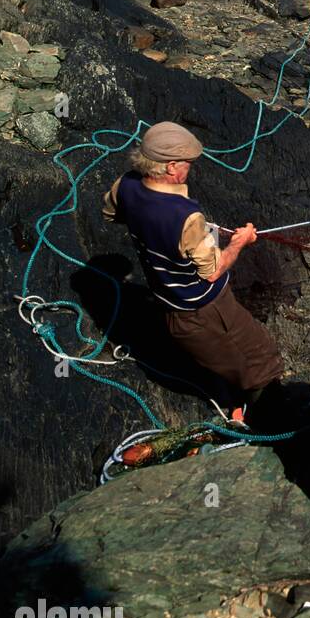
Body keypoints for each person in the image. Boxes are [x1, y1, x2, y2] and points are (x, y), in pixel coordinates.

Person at [102, 121, 284, 424]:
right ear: (172, 167)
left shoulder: (126, 185)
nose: (190, 169)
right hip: (205, 308)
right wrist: (240, 242)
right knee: (259, 356)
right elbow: (213, 272)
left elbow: (111, 214)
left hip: (168, 300)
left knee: (220, 355)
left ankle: (232, 392)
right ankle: (256, 415)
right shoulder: (185, 216)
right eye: (188, 164)